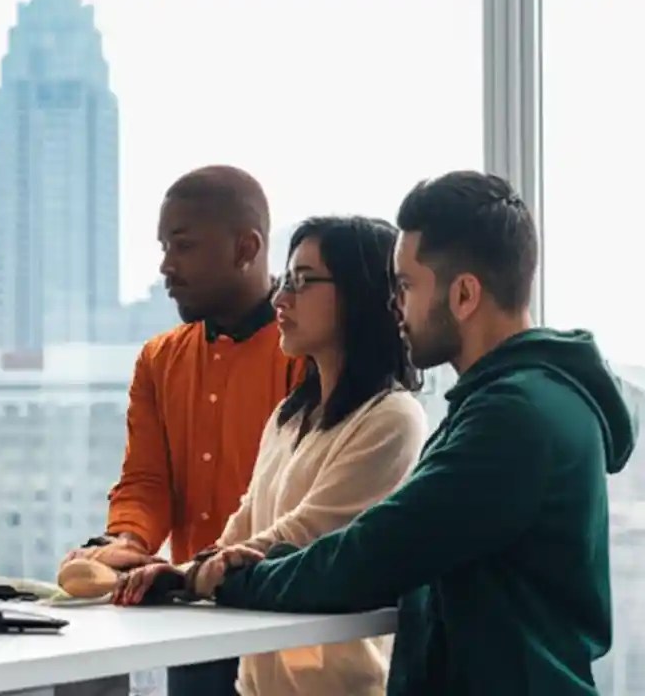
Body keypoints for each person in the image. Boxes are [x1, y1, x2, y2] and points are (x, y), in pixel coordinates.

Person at [185, 171, 633, 696]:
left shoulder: (514, 416)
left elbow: (375, 553)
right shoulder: (521, 402)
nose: (394, 304)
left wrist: (235, 578)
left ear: (463, 294)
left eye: (405, 286)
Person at [114, 215, 427, 695]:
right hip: (258, 685)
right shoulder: (290, 415)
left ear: (359, 293)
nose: (281, 299)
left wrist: (194, 575)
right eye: (286, 281)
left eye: (303, 282)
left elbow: (303, 537)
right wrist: (182, 572)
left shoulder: (392, 418)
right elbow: (245, 525)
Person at [59, 165, 302, 695]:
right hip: (192, 620)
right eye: (165, 247)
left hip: (284, 619)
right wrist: (124, 541)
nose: (166, 265)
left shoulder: (305, 355)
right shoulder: (158, 359)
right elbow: (147, 482)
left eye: (183, 246)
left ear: (246, 248)